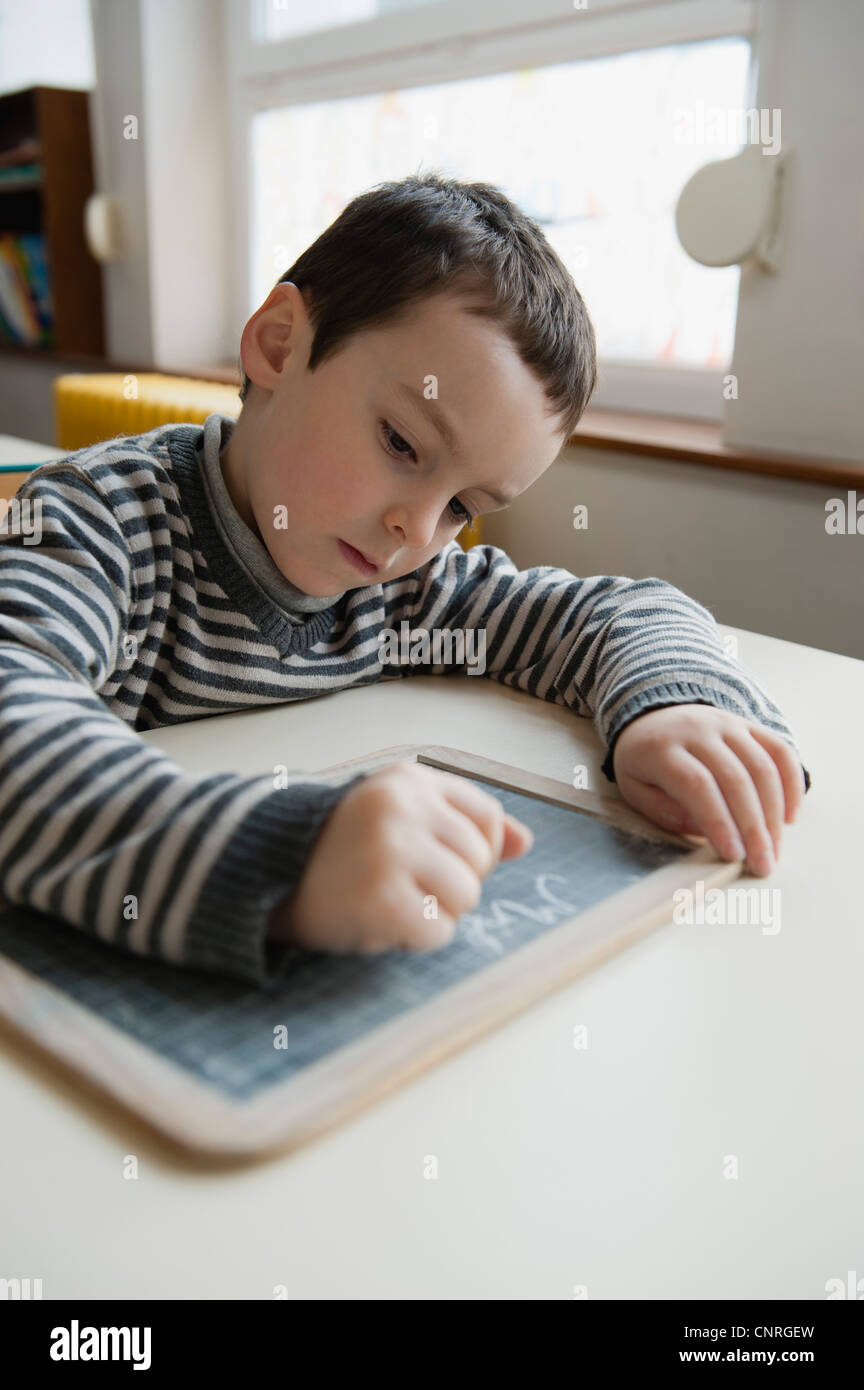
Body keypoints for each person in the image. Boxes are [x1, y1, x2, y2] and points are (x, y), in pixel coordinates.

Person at [0, 173, 810, 987]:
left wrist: (673, 704)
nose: (417, 532)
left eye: (463, 504)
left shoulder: (408, 595)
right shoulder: (97, 523)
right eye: (400, 443)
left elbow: (618, 611)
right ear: (281, 344)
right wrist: (283, 857)